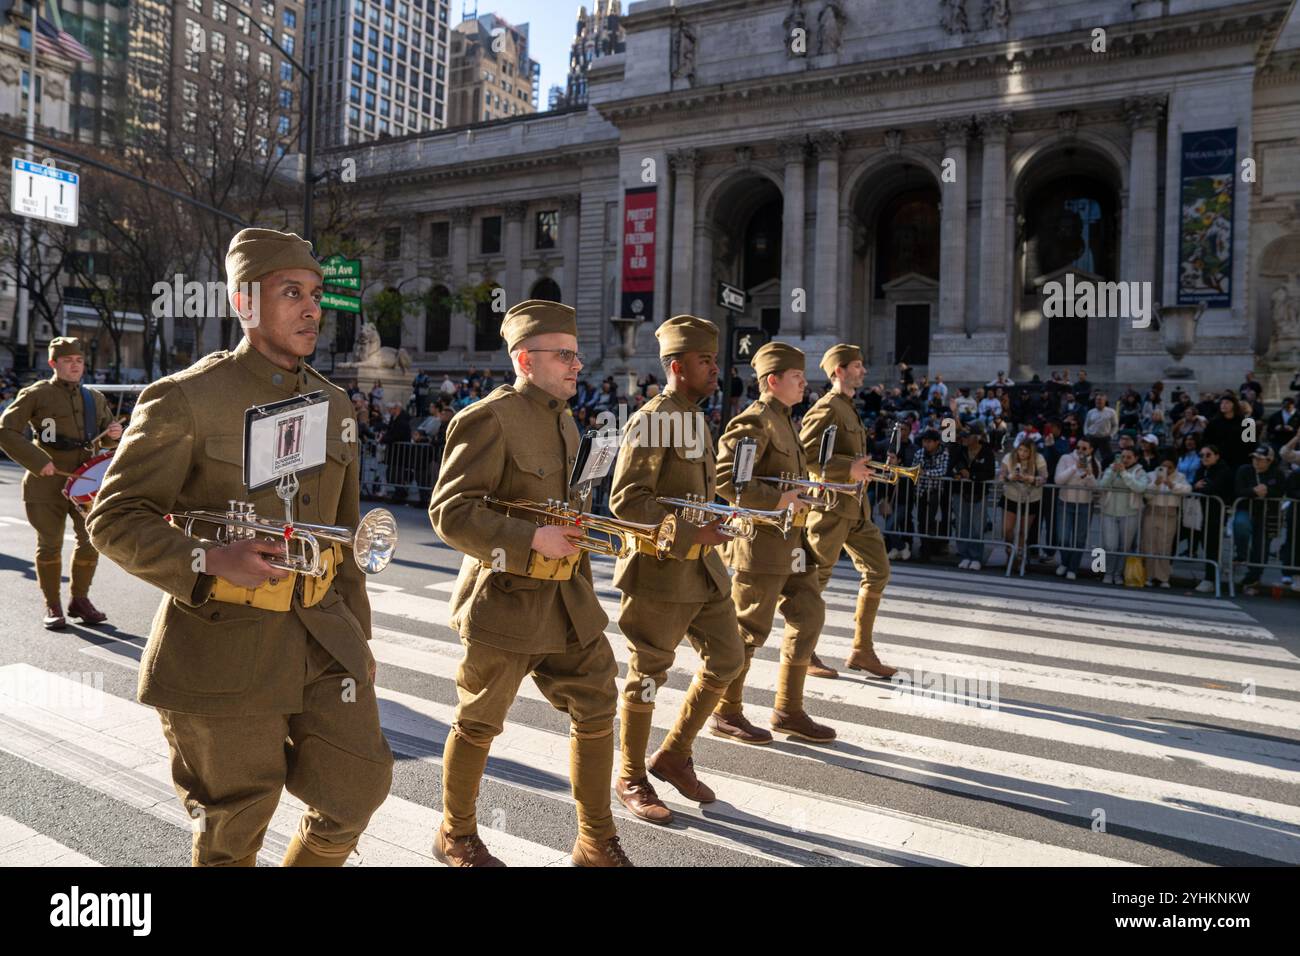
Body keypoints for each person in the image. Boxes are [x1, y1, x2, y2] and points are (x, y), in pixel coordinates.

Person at [86, 228, 393, 866]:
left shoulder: (335, 405)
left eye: (315, 294)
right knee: (233, 825)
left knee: (357, 790)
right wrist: (209, 559)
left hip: (322, 638)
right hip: (221, 644)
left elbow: (345, 539)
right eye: (291, 293)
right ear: (244, 304)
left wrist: (358, 638)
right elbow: (115, 517)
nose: (313, 308)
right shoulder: (187, 398)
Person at [427, 299, 630, 867]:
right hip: (506, 601)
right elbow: (451, 512)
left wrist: (578, 527)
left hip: (566, 598)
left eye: (577, 354)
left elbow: (556, 503)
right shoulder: (487, 418)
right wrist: (530, 538)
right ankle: (457, 835)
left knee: (597, 702)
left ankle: (595, 840)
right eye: (564, 355)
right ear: (525, 358)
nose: (576, 365)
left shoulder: (564, 419)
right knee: (479, 720)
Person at [607, 316, 743, 825]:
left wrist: (718, 515)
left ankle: (674, 754)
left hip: (704, 572)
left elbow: (688, 494)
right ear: (676, 366)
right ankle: (630, 775)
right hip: (660, 573)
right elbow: (628, 501)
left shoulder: (692, 416)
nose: (715, 369)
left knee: (728, 660)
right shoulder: (654, 417)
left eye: (714, 359)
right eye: (705, 361)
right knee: (646, 676)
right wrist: (691, 532)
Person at [713, 342, 831, 744]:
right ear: (773, 380)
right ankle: (726, 712)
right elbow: (729, 481)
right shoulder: (754, 422)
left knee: (810, 613)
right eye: (796, 377)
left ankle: (788, 709)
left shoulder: (786, 421)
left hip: (792, 543)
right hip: (761, 545)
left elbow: (779, 480)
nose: (804, 383)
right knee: (748, 631)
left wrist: (801, 494)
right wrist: (779, 499)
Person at [0, 337, 122, 628]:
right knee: (50, 544)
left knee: (91, 542)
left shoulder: (94, 397)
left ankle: (79, 600)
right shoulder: (36, 394)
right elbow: (6, 430)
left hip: (85, 482)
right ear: (53, 363)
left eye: (79, 361)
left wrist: (113, 434)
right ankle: (52, 605)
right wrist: (37, 460)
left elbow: (103, 435)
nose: (75, 366)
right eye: (68, 361)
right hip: (47, 481)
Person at [799, 344, 896, 678]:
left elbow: (849, 460)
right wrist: (846, 469)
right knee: (815, 579)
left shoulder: (848, 408)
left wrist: (875, 466)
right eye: (857, 365)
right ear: (839, 371)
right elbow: (807, 454)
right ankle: (803, 653)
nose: (863, 371)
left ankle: (861, 650)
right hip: (829, 507)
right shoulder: (826, 407)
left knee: (878, 569)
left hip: (856, 507)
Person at [1231, 444, 1286, 594]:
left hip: (1268, 515)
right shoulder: (1244, 470)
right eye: (1255, 458)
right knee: (1240, 525)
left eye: (1261, 459)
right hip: (1245, 509)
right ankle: (1242, 555)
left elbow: (1281, 492)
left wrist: (1267, 492)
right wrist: (1253, 492)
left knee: (1261, 547)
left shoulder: (1278, 474)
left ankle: (1253, 578)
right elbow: (1238, 490)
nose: (1256, 461)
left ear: (1269, 461)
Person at [948, 423, 997, 571]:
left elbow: (990, 473)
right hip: (960, 492)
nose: (963, 439)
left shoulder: (987, 451)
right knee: (961, 524)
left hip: (978, 493)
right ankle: (964, 555)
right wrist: (957, 473)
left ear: (977, 437)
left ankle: (976, 557)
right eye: (962, 436)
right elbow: (950, 466)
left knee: (977, 526)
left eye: (967, 436)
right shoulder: (959, 449)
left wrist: (972, 476)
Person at [1097, 448, 1150, 585]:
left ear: (1136, 458)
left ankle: (1118, 574)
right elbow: (1102, 485)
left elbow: (1140, 487)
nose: (1125, 460)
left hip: (1130, 514)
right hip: (1109, 512)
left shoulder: (1140, 472)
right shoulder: (1111, 468)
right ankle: (1108, 573)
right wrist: (1113, 472)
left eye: (1129, 457)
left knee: (1124, 547)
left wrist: (1124, 473)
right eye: (1123, 457)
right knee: (1110, 545)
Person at [1142, 451, 1191, 587]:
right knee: (1149, 544)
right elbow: (1146, 495)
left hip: (1170, 513)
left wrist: (1171, 484)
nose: (1167, 470)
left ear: (1175, 467)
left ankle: (1163, 577)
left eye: (1170, 467)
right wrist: (1156, 483)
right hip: (1152, 510)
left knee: (1165, 545)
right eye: (1164, 467)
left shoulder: (1180, 476)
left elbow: (1187, 489)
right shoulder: (1150, 475)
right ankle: (1149, 576)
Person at [1054, 437, 1100, 580]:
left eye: (1084, 448)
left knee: (1080, 539)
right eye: (1078, 447)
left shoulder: (1095, 463)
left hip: (1085, 504)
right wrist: (1074, 468)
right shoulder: (1065, 458)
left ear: (1091, 450)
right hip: (1065, 502)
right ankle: (1065, 563)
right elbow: (1058, 480)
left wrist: (1088, 474)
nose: (1080, 451)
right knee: (1063, 537)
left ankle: (1072, 568)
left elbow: (1095, 487)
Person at [1191, 444, 1233, 593]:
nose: (1204, 458)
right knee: (1201, 543)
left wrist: (1198, 486)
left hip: (1215, 514)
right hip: (1198, 514)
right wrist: (1196, 486)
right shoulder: (1201, 469)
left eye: (1208, 455)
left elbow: (1212, 488)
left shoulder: (1224, 471)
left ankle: (1210, 579)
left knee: (1211, 547)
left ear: (1217, 456)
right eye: (1201, 455)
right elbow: (1194, 485)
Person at [999, 437, 1047, 564]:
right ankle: (1009, 551)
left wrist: (1029, 479)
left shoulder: (1039, 458)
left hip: (1031, 498)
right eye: (1020, 450)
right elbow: (1001, 476)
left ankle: (1019, 555)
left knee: (1023, 530)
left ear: (1031, 452)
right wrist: (1010, 477)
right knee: (1007, 529)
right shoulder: (1009, 457)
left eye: (1026, 451)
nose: (1022, 453)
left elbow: (1044, 477)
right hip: (1011, 496)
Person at [1084, 392, 1119, 461]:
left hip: (1104, 438)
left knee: (1107, 458)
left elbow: (1115, 425)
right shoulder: (1091, 412)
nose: (1098, 401)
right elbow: (1086, 424)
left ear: (1105, 401)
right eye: (1097, 400)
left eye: (1100, 400)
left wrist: (1111, 435)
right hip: (1092, 437)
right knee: (1088, 457)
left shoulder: (1111, 412)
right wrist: (1086, 434)